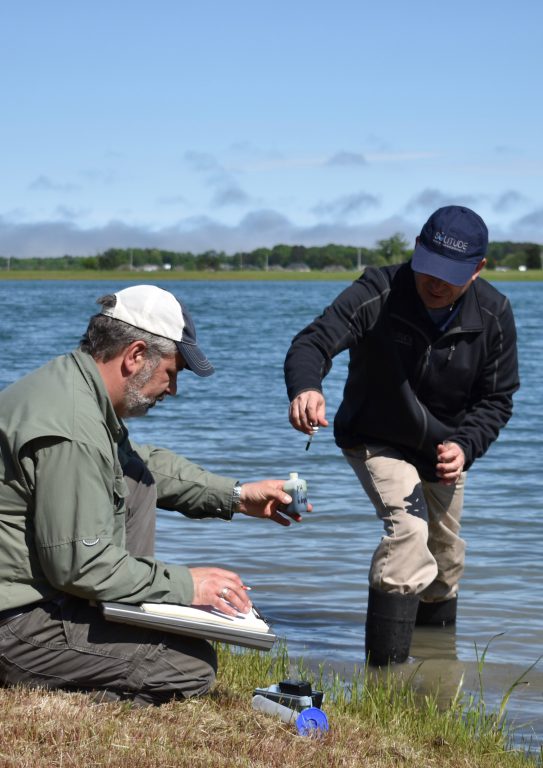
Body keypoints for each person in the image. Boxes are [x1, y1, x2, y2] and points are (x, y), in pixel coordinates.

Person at [0, 284, 303, 705]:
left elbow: (145, 465)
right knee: (191, 667)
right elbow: (79, 567)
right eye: (172, 373)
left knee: (135, 476)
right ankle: (72, 693)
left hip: (33, 597)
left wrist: (236, 495)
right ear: (136, 355)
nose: (173, 390)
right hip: (13, 624)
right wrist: (188, 586)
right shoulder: (74, 427)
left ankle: (114, 622)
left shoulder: (74, 385)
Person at [284, 205, 519, 666]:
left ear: (478, 270)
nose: (435, 283)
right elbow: (312, 342)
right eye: (428, 268)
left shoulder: (494, 313)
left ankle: (434, 674)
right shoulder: (378, 290)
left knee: (446, 556)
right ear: (416, 248)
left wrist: (465, 445)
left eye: (450, 275)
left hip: (445, 447)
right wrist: (307, 387)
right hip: (377, 436)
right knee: (409, 533)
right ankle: (385, 678)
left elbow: (498, 399)